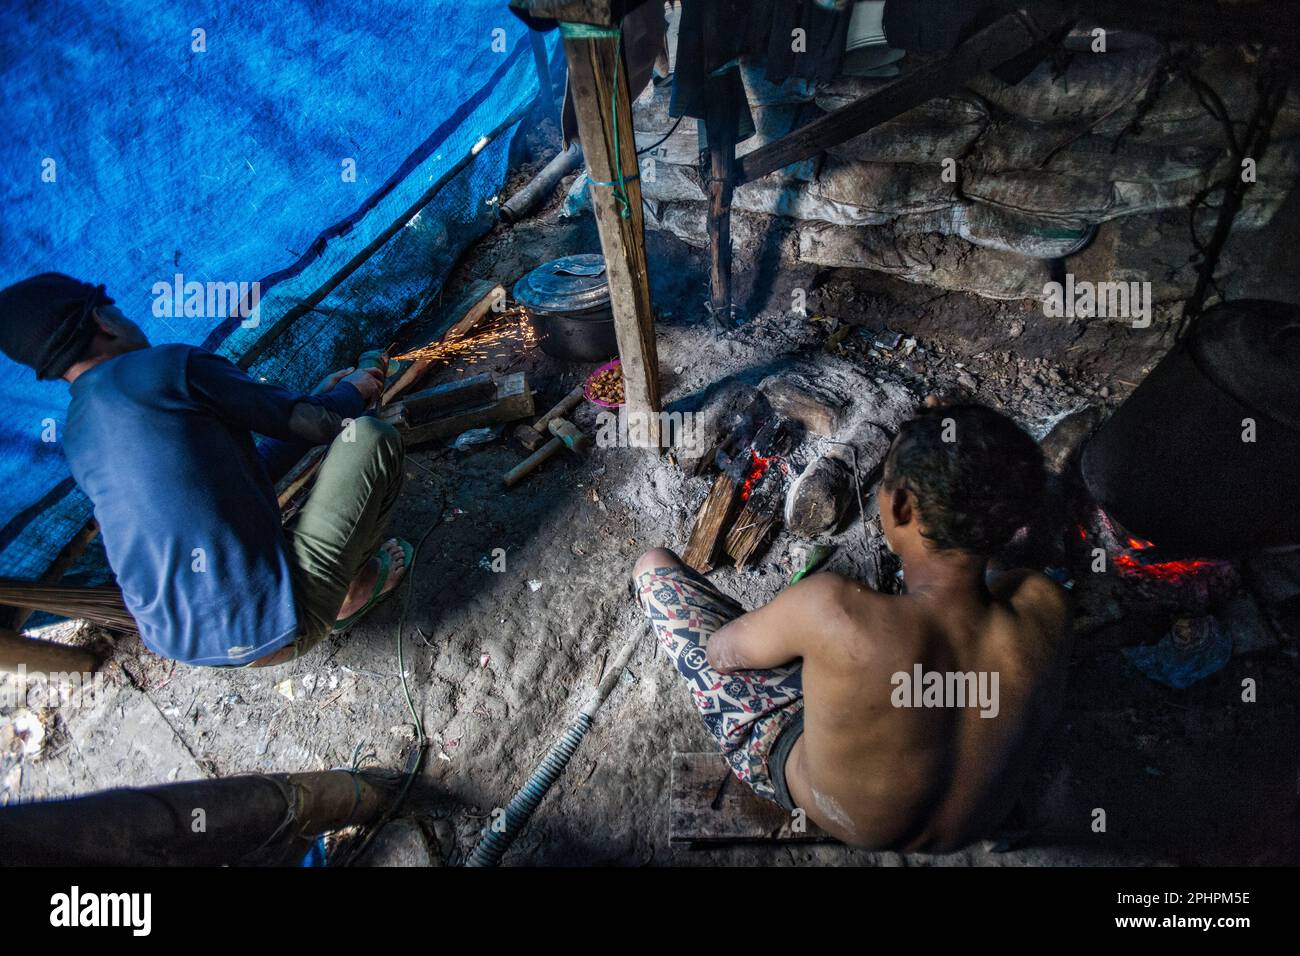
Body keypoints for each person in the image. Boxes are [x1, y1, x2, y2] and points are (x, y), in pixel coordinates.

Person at [634, 402, 1070, 850]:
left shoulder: (830, 608)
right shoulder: (1047, 606)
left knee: (654, 565)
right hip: (968, 827)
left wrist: (802, 638)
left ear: (899, 506)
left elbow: (723, 654)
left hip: (842, 815)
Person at [0, 273, 410, 667]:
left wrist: (321, 403)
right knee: (369, 438)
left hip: (192, 644)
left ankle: (309, 600)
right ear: (103, 320)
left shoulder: (76, 434)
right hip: (287, 621)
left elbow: (242, 477)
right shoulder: (169, 365)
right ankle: (350, 593)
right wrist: (350, 393)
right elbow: (323, 424)